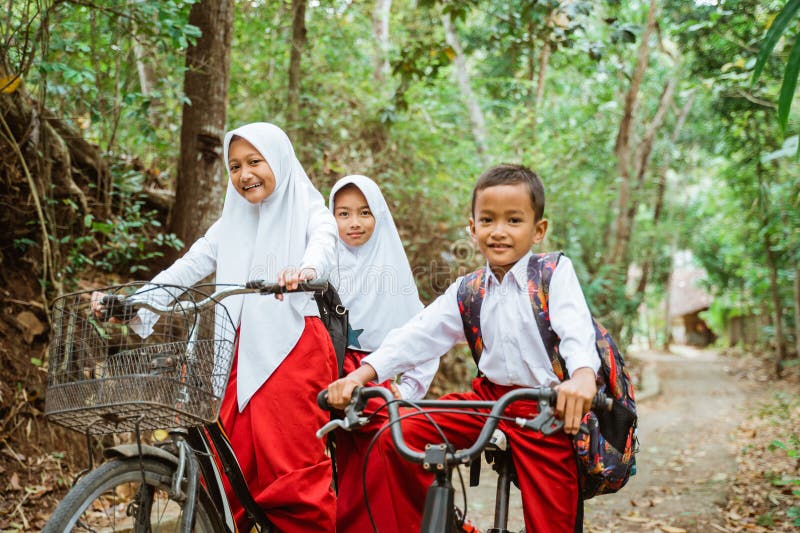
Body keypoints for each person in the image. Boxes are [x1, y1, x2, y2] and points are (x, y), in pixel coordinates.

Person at [326, 163, 600, 533]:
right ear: (473, 228)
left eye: (513, 220)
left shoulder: (552, 274)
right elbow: (418, 335)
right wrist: (360, 375)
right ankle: (431, 522)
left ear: (539, 230)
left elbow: (576, 330)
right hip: (487, 401)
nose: (498, 231)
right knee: (394, 433)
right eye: (487, 220)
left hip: (545, 407)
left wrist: (582, 377)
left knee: (553, 520)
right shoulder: (469, 290)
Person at [93, 122, 339, 532]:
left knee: (292, 472)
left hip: (293, 350)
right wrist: (135, 301)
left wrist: (305, 271)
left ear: (278, 160)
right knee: (226, 470)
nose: (244, 174)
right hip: (238, 355)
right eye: (235, 166)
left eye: (255, 161)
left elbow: (324, 244)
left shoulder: (308, 209)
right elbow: (189, 266)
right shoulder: (231, 224)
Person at [328, 174, 439, 532]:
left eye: (365, 212)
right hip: (326, 376)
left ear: (379, 216)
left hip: (375, 385)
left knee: (382, 452)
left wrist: (406, 391)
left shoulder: (393, 272)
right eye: (343, 213)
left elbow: (425, 339)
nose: (354, 223)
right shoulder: (322, 265)